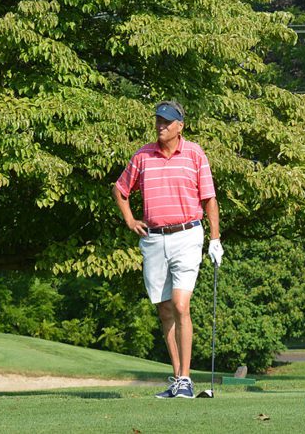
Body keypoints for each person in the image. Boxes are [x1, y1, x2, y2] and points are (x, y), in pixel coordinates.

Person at [113, 101, 222, 399]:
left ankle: (186, 378)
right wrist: (130, 219)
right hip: (153, 239)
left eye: (167, 122)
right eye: (159, 121)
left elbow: (209, 199)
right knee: (164, 309)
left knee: (180, 305)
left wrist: (215, 238)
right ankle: (177, 377)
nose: (161, 126)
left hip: (187, 234)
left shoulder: (195, 154)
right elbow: (120, 190)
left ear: (180, 126)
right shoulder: (142, 156)